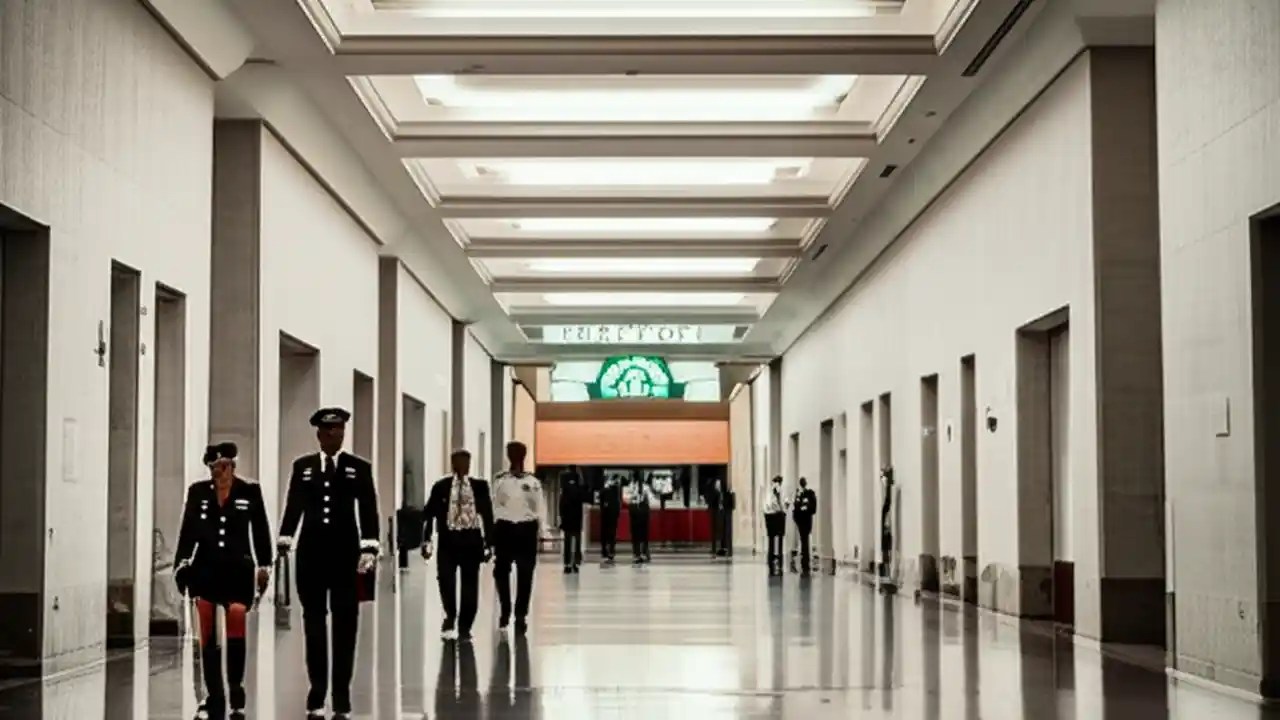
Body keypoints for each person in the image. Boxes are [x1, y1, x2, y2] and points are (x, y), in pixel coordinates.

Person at [276, 408, 381, 720]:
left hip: (345, 557)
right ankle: (317, 693)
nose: (336, 435)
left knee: (345, 626)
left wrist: (370, 545)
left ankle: (342, 697)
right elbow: (294, 504)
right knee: (314, 625)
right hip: (311, 557)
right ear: (319, 434)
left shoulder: (358, 468)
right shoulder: (303, 467)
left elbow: (369, 507)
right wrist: (285, 535)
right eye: (330, 430)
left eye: (340, 430)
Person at [174, 442, 272, 720]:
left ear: (233, 466)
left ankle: (236, 688)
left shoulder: (249, 492)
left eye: (225, 467)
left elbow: (261, 530)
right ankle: (214, 694)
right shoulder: (198, 493)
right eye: (215, 468)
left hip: (238, 570)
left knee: (236, 624)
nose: (220, 473)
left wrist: (264, 565)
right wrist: (182, 562)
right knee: (208, 635)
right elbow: (188, 530)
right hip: (206, 570)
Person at [422, 449, 495, 642]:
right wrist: (426, 540)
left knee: (470, 584)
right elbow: (429, 514)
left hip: (471, 540)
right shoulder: (441, 487)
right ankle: (450, 614)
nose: (463, 466)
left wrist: (490, 543)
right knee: (445, 580)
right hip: (448, 541)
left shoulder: (480, 487)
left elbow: (488, 516)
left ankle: (465, 625)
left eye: (466, 462)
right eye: (459, 462)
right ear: (453, 464)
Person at [492, 442, 545, 635]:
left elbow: (540, 508)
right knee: (501, 572)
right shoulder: (500, 480)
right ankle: (505, 609)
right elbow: (493, 505)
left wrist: (542, 531)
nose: (515, 457)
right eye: (511, 453)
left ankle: (521, 614)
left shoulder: (533, 482)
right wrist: (490, 532)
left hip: (526, 529)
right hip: (504, 528)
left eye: (518, 453)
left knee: (525, 573)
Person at [558, 465, 588, 573]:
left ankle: (567, 564)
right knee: (577, 541)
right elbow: (584, 496)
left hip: (567, 516)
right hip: (577, 516)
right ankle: (576, 563)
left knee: (567, 541)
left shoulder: (564, 485)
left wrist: (561, 517)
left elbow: (561, 504)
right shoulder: (579, 483)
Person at [625, 476, 656, 564]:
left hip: (641, 510)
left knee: (642, 534)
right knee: (637, 534)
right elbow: (626, 499)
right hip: (636, 510)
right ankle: (638, 554)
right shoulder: (632, 487)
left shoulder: (644, 487)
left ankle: (642, 553)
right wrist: (634, 497)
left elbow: (651, 500)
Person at [792, 477, 818, 576]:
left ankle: (805, 562)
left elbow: (813, 508)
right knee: (804, 541)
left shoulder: (810, 493)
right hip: (801, 521)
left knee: (805, 541)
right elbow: (796, 507)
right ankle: (804, 562)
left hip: (806, 520)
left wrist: (805, 508)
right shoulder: (798, 494)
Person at [762, 476, 787, 577]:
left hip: (780, 518)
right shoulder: (769, 494)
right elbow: (767, 506)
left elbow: (784, 507)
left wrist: (778, 497)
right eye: (773, 484)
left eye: (775, 484)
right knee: (771, 541)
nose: (773, 486)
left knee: (780, 541)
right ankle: (770, 561)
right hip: (771, 518)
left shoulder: (783, 494)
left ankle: (780, 563)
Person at [597, 474, 622, 564]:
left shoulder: (610, 490)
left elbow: (601, 501)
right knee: (610, 534)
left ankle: (607, 551)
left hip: (607, 515)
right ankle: (609, 551)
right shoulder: (613, 491)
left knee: (608, 534)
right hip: (609, 515)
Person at [704, 478, 723, 558]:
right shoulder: (716, 493)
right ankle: (715, 548)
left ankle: (716, 548)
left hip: (717, 513)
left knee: (716, 532)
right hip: (716, 513)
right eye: (718, 484)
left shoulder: (718, 492)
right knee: (715, 532)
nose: (719, 485)